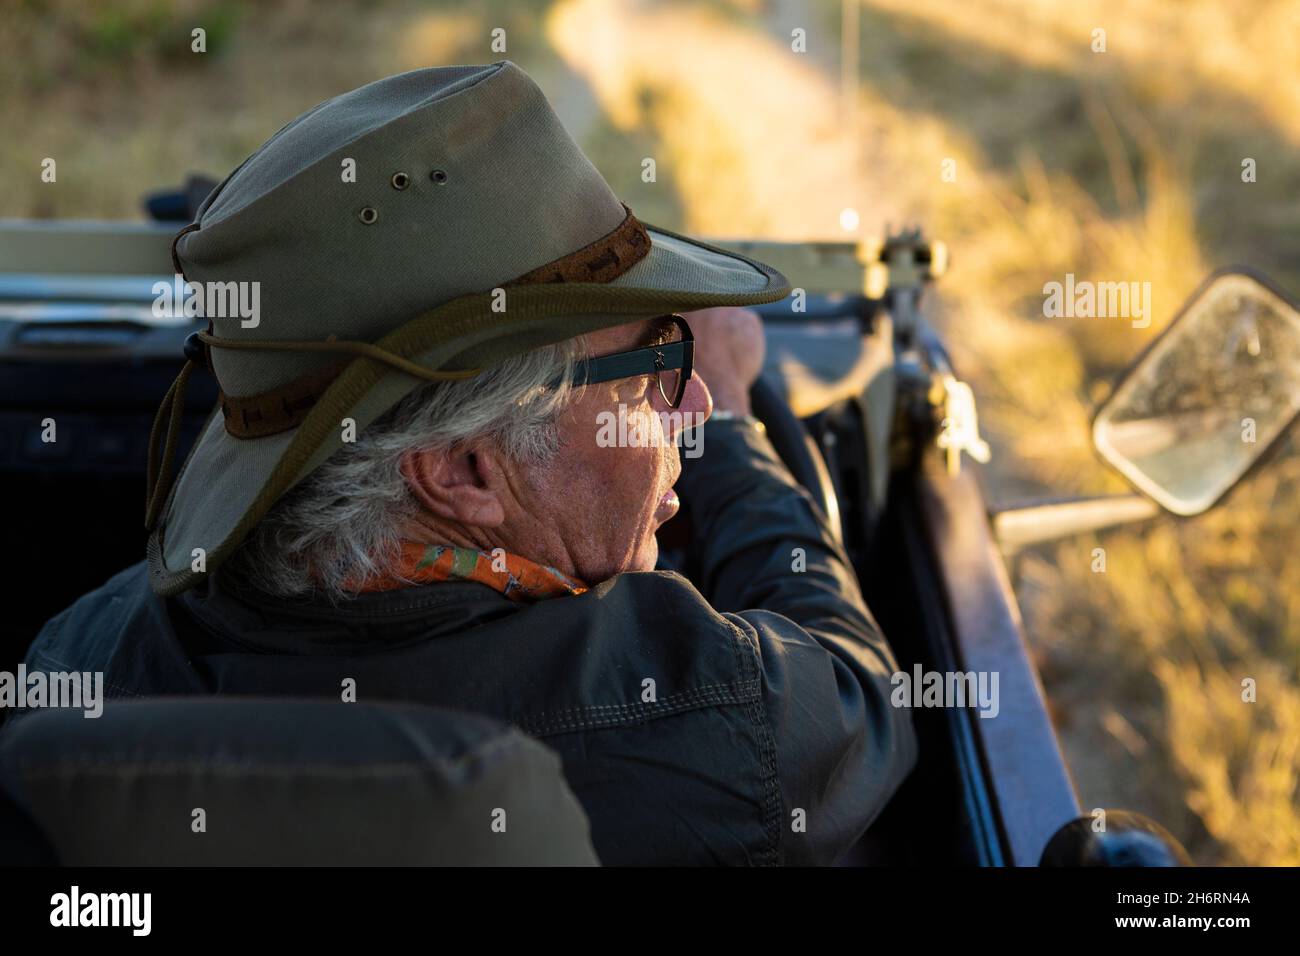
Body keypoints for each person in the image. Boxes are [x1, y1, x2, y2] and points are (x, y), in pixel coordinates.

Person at [19, 61, 915, 864]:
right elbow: (859, 696)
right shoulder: (692, 717)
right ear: (463, 473)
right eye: (655, 367)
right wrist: (733, 445)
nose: (693, 405)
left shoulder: (78, 661)